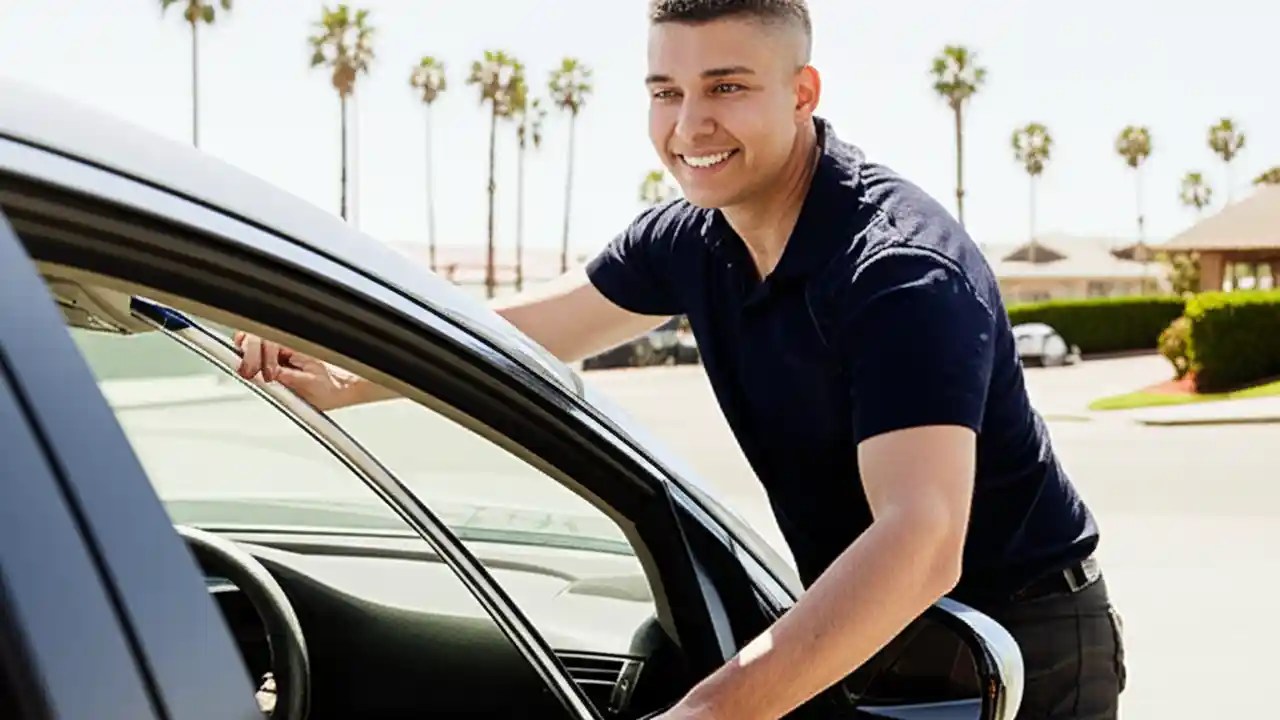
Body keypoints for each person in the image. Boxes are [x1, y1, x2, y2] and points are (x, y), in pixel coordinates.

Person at [235, 1, 1127, 717]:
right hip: (867, 636)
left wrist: (710, 711)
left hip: (1016, 648)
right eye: (666, 91)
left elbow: (922, 538)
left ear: (802, 90)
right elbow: (525, 329)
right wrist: (347, 371)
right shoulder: (695, 238)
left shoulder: (897, 270)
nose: (689, 124)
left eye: (727, 86)